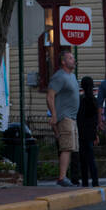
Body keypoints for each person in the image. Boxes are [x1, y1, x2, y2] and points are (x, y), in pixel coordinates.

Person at [46, 50, 80, 187]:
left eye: (73, 58)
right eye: (70, 58)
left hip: (72, 117)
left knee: (71, 147)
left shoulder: (71, 76)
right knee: (66, 147)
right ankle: (62, 177)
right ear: (63, 61)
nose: (73, 60)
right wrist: (54, 114)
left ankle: (66, 176)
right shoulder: (59, 77)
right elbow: (50, 96)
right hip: (64, 117)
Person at [76, 76, 101, 187]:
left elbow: (79, 117)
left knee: (83, 159)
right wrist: (95, 133)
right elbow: (95, 119)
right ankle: (95, 181)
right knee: (91, 158)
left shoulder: (80, 100)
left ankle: (85, 182)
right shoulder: (94, 100)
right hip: (90, 132)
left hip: (81, 132)